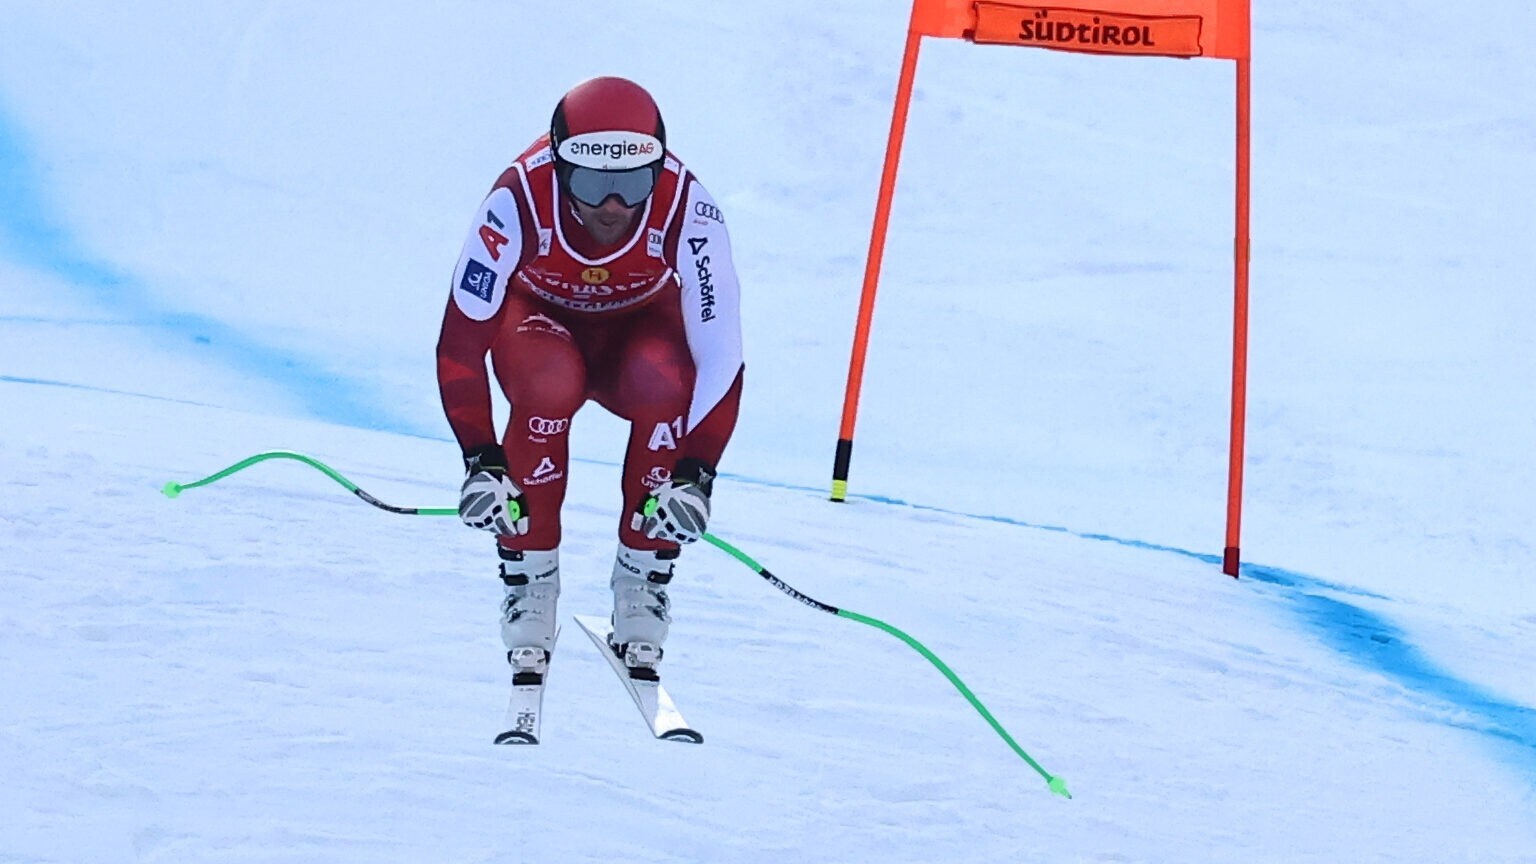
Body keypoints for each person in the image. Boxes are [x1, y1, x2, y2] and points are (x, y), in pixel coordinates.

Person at [435, 76, 744, 685]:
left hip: (638, 334)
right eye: (591, 182)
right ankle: (529, 582)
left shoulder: (689, 205)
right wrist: (481, 458)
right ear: (557, 162)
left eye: (631, 185)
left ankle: (644, 581)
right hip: (538, 328)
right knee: (551, 382)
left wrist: (696, 473)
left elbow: (722, 350)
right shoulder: (517, 198)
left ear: (658, 167)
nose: (612, 205)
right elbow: (460, 342)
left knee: (665, 383)